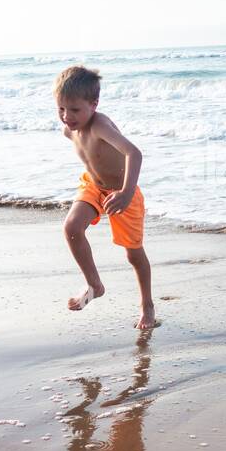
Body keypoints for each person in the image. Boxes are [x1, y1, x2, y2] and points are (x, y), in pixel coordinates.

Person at [54, 65, 157, 329]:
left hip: (123, 192)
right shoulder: (69, 129)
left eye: (75, 110)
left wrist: (126, 192)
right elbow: (92, 156)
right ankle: (94, 284)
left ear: (94, 104)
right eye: (61, 109)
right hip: (93, 186)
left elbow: (134, 153)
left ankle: (147, 305)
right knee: (71, 228)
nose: (67, 116)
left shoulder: (100, 124)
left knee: (133, 255)